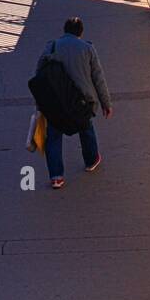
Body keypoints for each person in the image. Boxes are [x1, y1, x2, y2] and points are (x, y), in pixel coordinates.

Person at [35, 17, 112, 190]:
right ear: (81, 32)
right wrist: (106, 103)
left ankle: (56, 177)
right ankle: (91, 160)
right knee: (86, 129)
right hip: (81, 101)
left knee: (53, 136)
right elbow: (98, 78)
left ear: (64, 30)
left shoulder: (52, 46)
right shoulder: (87, 48)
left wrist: (40, 103)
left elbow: (39, 73)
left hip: (56, 100)